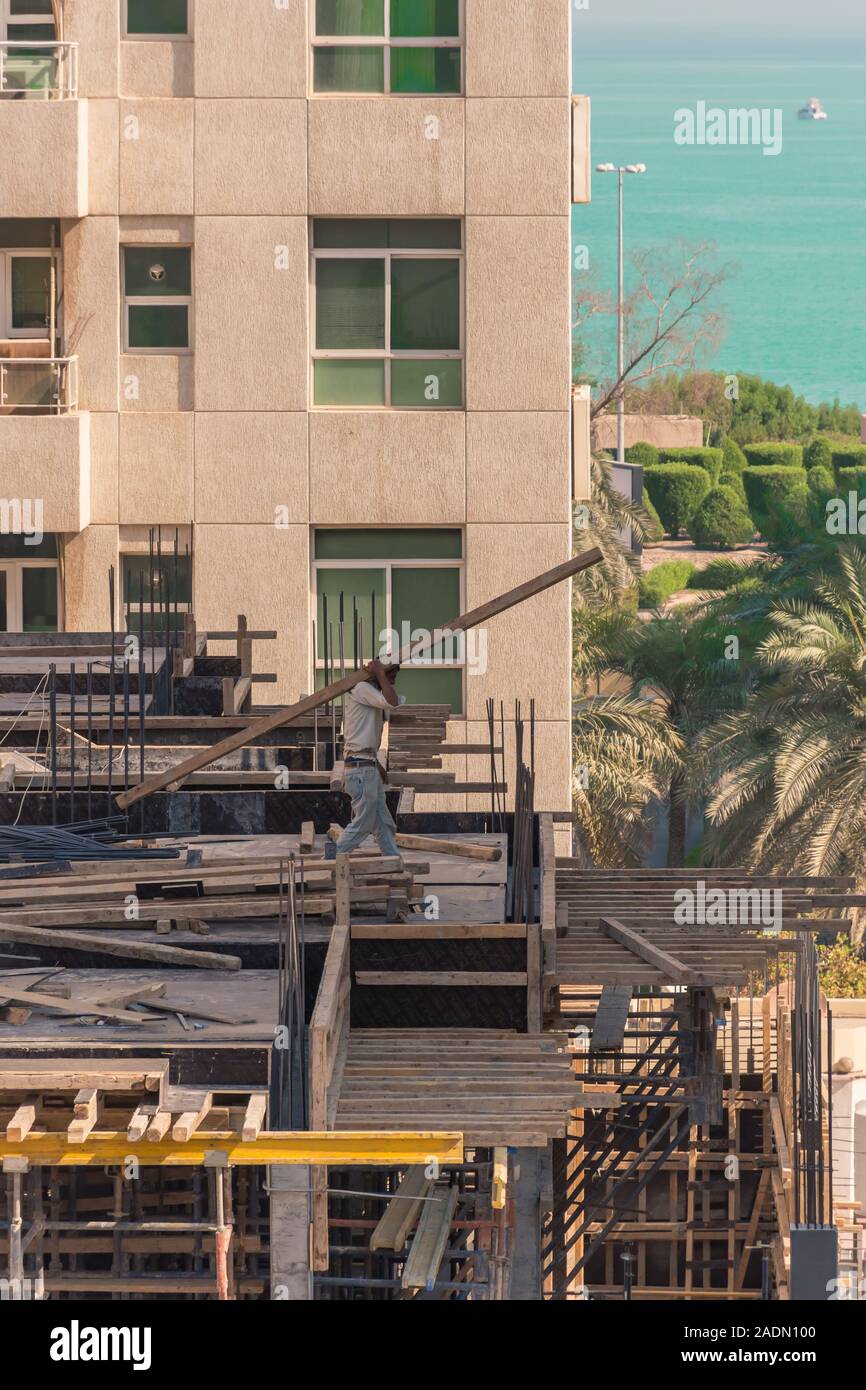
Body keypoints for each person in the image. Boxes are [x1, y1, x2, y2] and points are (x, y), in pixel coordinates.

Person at [324, 658, 405, 861]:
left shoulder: (370, 694)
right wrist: (379, 672)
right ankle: (331, 861)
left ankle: (393, 863)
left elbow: (362, 736)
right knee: (364, 823)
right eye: (391, 677)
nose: (392, 683)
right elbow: (392, 701)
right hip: (360, 769)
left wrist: (376, 763)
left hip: (366, 765)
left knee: (384, 823)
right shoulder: (361, 688)